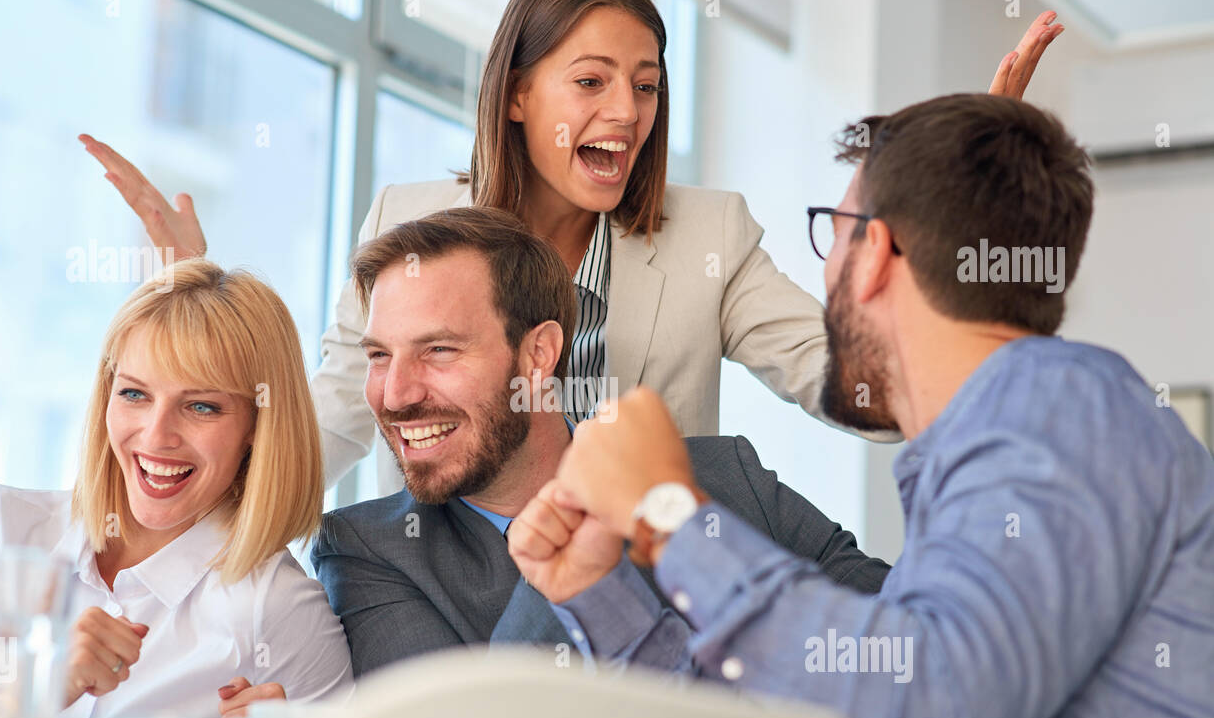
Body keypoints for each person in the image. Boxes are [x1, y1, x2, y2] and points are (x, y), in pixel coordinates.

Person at [77, 0, 1063, 493]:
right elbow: (323, 430)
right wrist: (198, 305)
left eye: (644, 86)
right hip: (440, 595)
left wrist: (953, 210)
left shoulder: (707, 232)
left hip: (635, 607)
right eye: (590, 82)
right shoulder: (410, 225)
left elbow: (848, 383)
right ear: (515, 96)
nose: (626, 114)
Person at [518, 94, 1214, 718]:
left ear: (875, 252)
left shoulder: (1057, 410)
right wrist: (601, 592)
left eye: (836, 235)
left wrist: (669, 512)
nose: (827, 277)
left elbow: (936, 712)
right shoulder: (989, 491)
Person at [309, 207, 889, 687]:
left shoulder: (725, 477)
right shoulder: (367, 551)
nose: (395, 394)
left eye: (439, 351)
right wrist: (566, 566)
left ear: (538, 356)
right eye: (380, 355)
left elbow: (905, 651)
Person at [0, 260, 352, 718]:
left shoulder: (280, 610)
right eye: (135, 394)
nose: (157, 436)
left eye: (201, 406)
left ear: (259, 424)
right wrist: (33, 686)